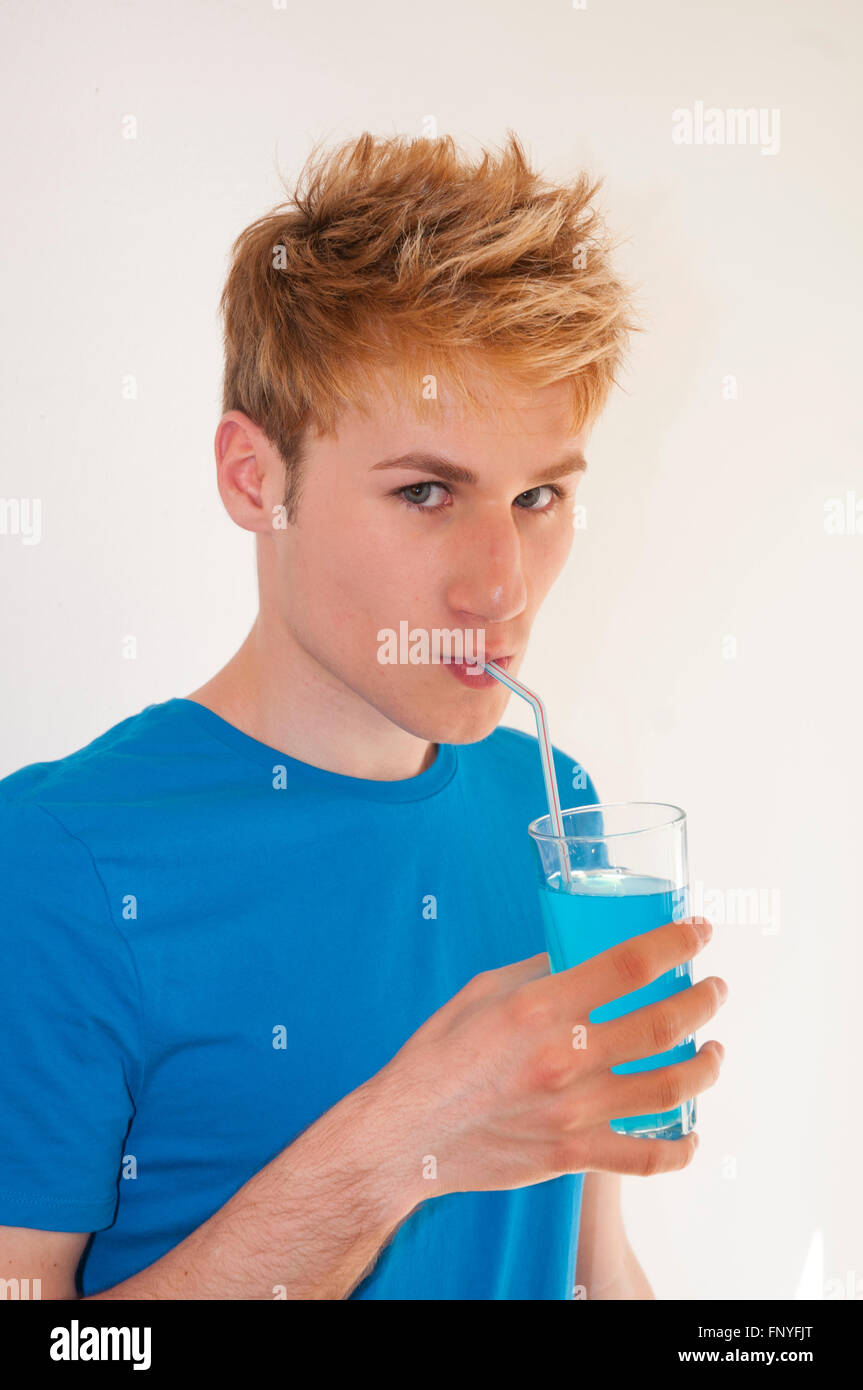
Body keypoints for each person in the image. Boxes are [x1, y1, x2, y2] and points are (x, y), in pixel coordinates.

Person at [0, 131, 727, 1300]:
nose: (501, 585)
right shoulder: (49, 864)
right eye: (426, 491)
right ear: (254, 478)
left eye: (538, 495)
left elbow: (600, 1270)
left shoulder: (555, 807)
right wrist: (397, 1145)